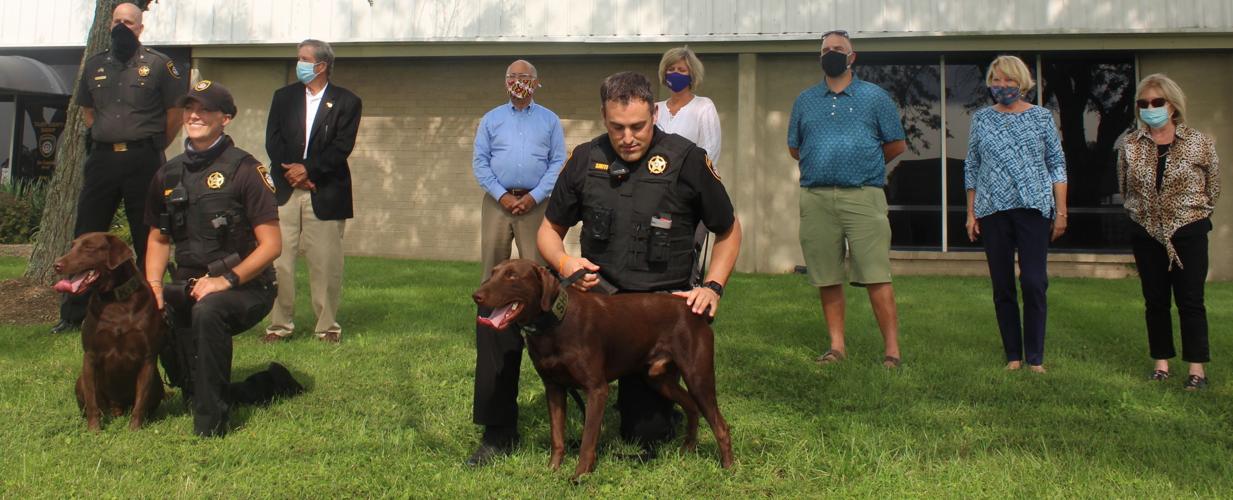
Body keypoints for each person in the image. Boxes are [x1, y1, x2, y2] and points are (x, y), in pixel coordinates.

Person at [537, 71, 742, 460]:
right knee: (510, 318)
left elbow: (730, 230)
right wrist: (564, 261)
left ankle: (647, 405)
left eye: (638, 126)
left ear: (655, 115)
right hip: (596, 306)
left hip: (654, 319)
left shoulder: (688, 159)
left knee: (645, 434)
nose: (627, 137)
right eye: (617, 127)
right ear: (604, 118)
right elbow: (548, 229)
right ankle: (498, 430)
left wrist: (712, 287)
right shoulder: (584, 159)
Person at [144, 80, 303, 437]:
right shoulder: (169, 173)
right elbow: (158, 237)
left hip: (247, 286)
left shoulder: (246, 170)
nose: (194, 115)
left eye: (205, 109)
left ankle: (211, 422)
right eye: (189, 109)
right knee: (147, 304)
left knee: (208, 310)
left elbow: (271, 245)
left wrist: (225, 280)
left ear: (225, 118)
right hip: (189, 283)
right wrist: (154, 285)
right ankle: (192, 392)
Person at [54, 1, 185, 333]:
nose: (121, 27)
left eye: (129, 22)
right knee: (85, 234)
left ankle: (148, 305)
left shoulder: (159, 65)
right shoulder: (95, 65)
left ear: (140, 28)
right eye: (116, 21)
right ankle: (74, 314)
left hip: (144, 160)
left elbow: (174, 115)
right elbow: (88, 112)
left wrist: (151, 145)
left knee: (148, 234)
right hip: (102, 160)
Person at [466, 60, 566, 466]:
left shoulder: (550, 120)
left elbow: (558, 162)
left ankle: (543, 326)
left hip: (536, 203)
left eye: (525, 79)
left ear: (536, 83)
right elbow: (480, 163)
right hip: (497, 200)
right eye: (512, 78)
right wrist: (503, 195)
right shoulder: (491, 119)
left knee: (538, 275)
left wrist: (536, 195)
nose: (518, 84)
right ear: (505, 83)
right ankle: (494, 325)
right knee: (494, 275)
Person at [786, 30, 906, 368]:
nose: (832, 53)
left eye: (839, 49)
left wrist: (865, 162)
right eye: (826, 50)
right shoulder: (805, 100)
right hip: (816, 198)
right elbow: (795, 147)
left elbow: (896, 144)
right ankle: (837, 347)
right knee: (827, 275)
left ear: (852, 57)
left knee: (876, 274)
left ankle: (892, 352)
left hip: (864, 196)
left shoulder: (875, 97)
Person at [963, 55, 1068, 373]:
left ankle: (1035, 357)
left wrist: (1061, 211)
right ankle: (1013, 355)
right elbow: (972, 166)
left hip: (1034, 208)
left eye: (1009, 80)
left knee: (1034, 282)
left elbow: (1057, 164)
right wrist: (971, 212)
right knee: (1002, 285)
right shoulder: (981, 119)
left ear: (1022, 83)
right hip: (993, 210)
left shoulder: (1041, 118)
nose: (1002, 86)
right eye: (996, 80)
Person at [1118, 73, 1220, 390]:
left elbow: (1212, 188)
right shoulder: (1129, 145)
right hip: (1146, 231)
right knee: (1155, 301)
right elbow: (1124, 188)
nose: (1150, 108)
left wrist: (1189, 215)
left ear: (1173, 106)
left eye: (1157, 102)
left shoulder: (1199, 143)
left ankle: (1196, 370)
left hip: (1188, 230)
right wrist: (1143, 215)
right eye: (1143, 103)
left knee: (1191, 301)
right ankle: (1161, 364)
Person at [263, 39, 363, 344]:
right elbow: (273, 141)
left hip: (326, 190)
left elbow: (340, 148)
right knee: (280, 261)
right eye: (299, 59)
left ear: (322, 65)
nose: (299, 64)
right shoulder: (283, 97)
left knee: (325, 263)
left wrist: (309, 170)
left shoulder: (347, 101)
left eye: (305, 59)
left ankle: (326, 328)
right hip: (285, 191)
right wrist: (292, 174)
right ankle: (279, 327)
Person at [655, 46, 723, 286]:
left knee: (686, 257)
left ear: (692, 74)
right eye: (671, 69)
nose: (675, 73)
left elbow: (710, 153)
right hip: (655, 195)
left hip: (689, 197)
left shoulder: (703, 107)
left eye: (681, 69)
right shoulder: (655, 109)